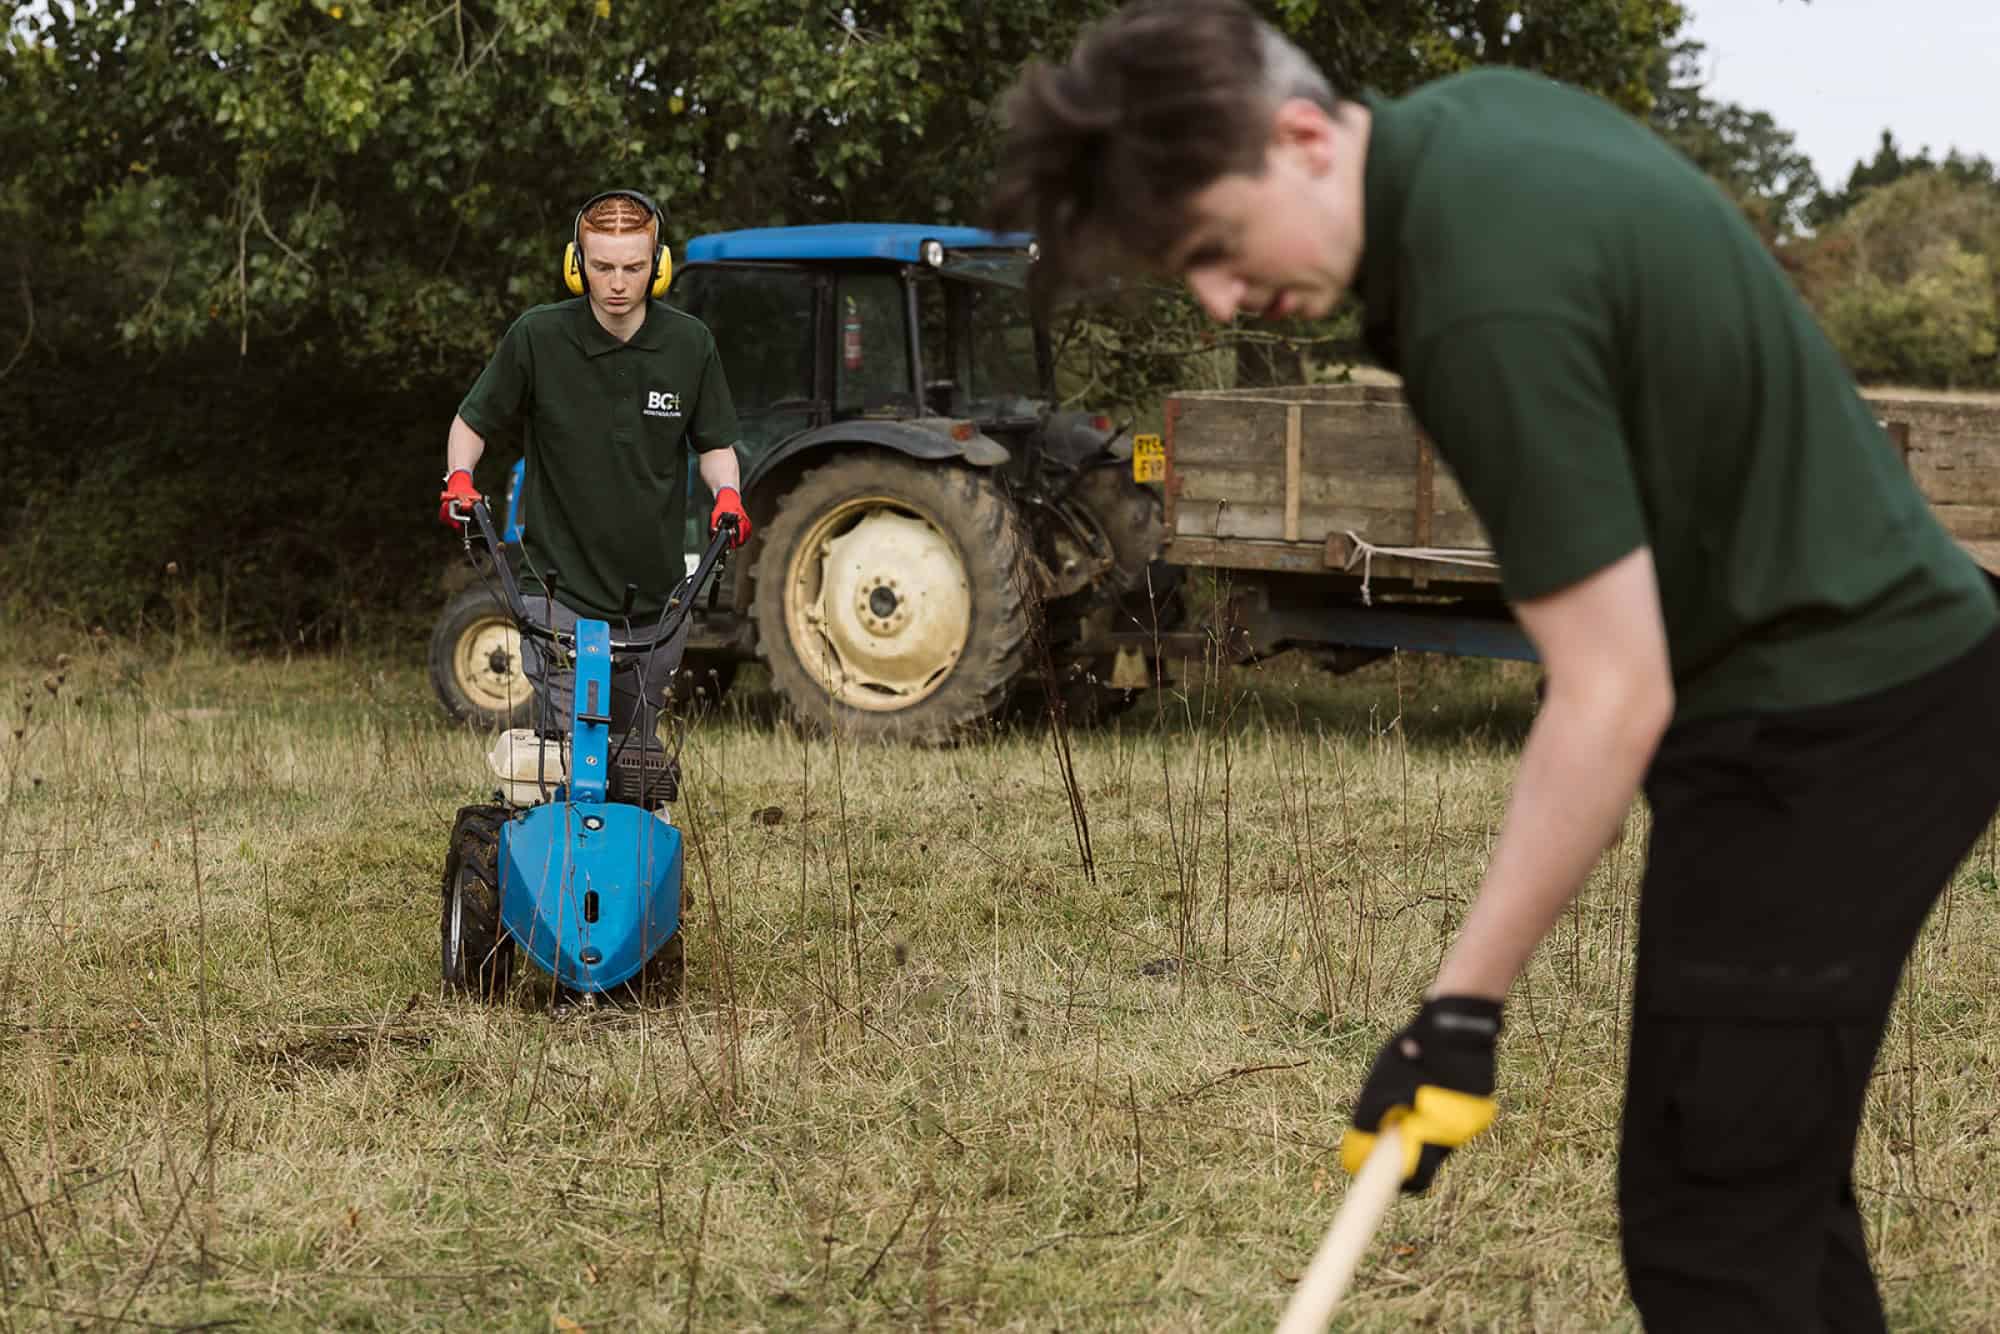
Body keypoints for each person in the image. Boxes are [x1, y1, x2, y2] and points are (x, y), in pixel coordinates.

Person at [990, 3, 2000, 1329]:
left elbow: (1609, 687)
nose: (1224, 299)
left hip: (1835, 718)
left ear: (1299, 137)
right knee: (1762, 1188)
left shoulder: (1481, 299)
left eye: (1218, 251)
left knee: (1715, 1225)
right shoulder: (1471, 128)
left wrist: (1458, 1009)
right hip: (1831, 696)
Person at [437, 189, 751, 746]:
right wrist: (459, 478)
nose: (617, 283)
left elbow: (716, 446)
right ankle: (560, 826)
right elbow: (471, 423)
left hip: (654, 595)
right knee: (574, 744)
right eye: (601, 266)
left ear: (658, 266)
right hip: (555, 586)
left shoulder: (689, 344)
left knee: (633, 751)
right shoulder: (539, 336)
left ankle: (629, 824)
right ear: (576, 265)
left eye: (633, 267)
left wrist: (728, 494)